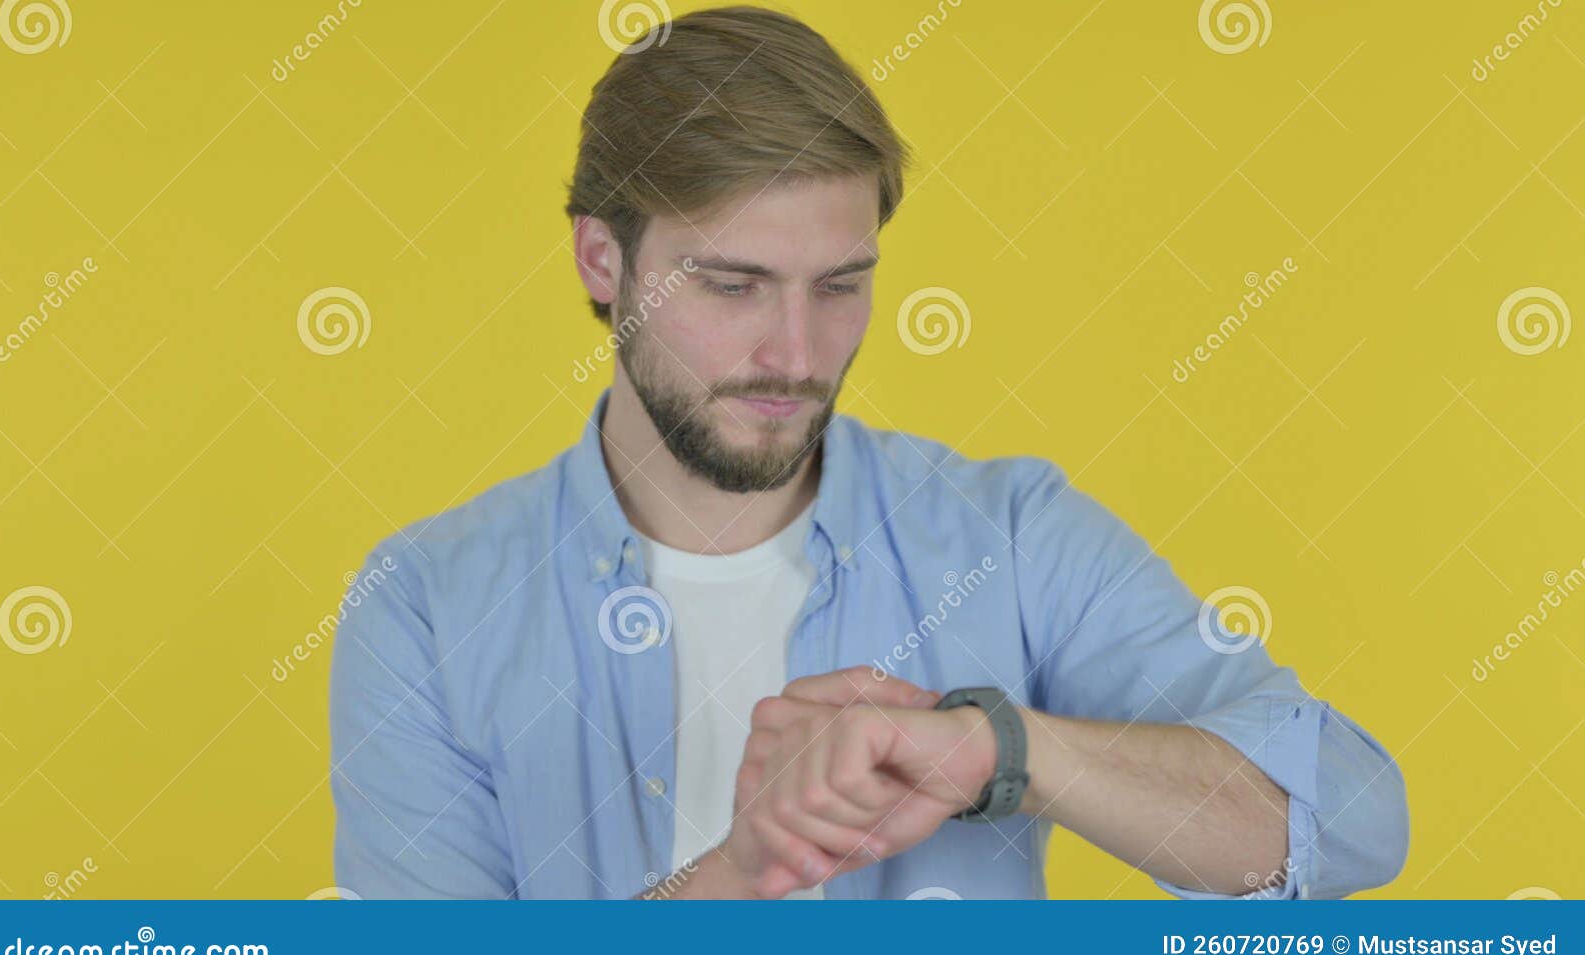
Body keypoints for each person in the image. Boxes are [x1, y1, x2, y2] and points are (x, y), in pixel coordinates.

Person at [329, 5, 1407, 900]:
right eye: (731, 284)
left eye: (840, 285)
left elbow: (1350, 819)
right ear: (603, 260)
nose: (796, 354)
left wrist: (1002, 751)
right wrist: (743, 872)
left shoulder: (1012, 536)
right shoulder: (425, 606)